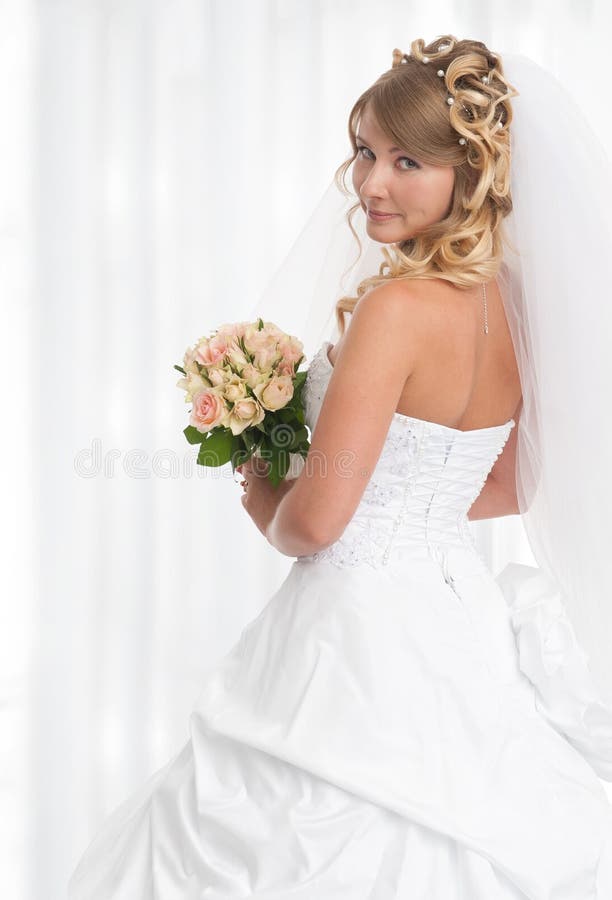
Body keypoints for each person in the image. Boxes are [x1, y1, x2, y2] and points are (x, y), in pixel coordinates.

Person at [69, 36, 612, 898]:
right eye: (363, 151)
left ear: (470, 171)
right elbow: (514, 482)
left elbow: (313, 525)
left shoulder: (397, 309)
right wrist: (405, 508)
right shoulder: (517, 308)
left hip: (352, 640)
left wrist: (258, 472)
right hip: (457, 622)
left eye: (406, 161)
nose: (371, 184)